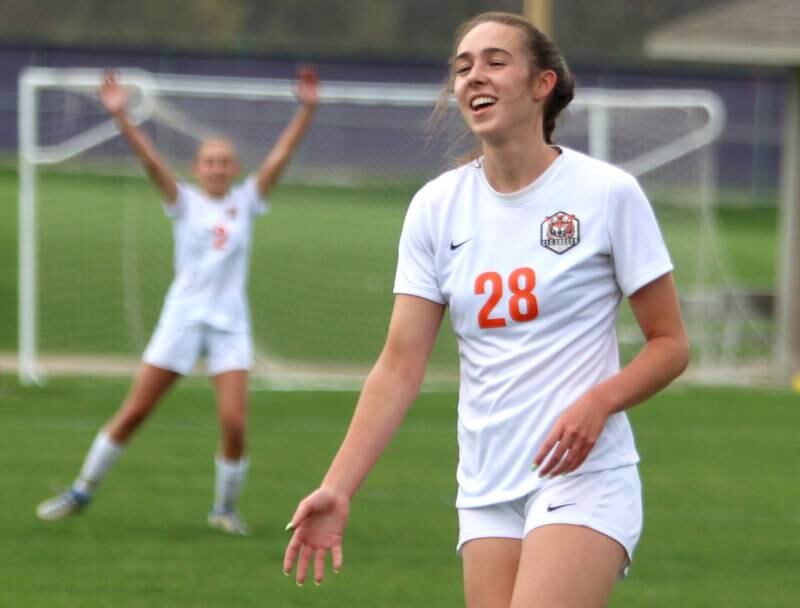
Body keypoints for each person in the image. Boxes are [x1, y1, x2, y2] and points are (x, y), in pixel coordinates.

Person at [282, 11, 689, 606]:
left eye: (496, 62)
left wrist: (599, 402)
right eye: (463, 67)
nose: (475, 76)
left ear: (541, 84)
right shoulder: (435, 208)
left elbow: (671, 344)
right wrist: (337, 488)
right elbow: (398, 366)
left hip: (584, 478)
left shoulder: (606, 194)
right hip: (486, 487)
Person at [36, 67, 320, 535]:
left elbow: (281, 155)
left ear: (234, 168)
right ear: (197, 168)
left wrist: (307, 109)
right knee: (135, 412)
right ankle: (80, 490)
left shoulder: (247, 200)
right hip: (183, 321)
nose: (217, 168)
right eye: (209, 161)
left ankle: (224, 509)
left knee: (233, 422)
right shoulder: (184, 202)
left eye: (225, 161)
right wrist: (121, 117)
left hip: (229, 325)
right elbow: (150, 161)